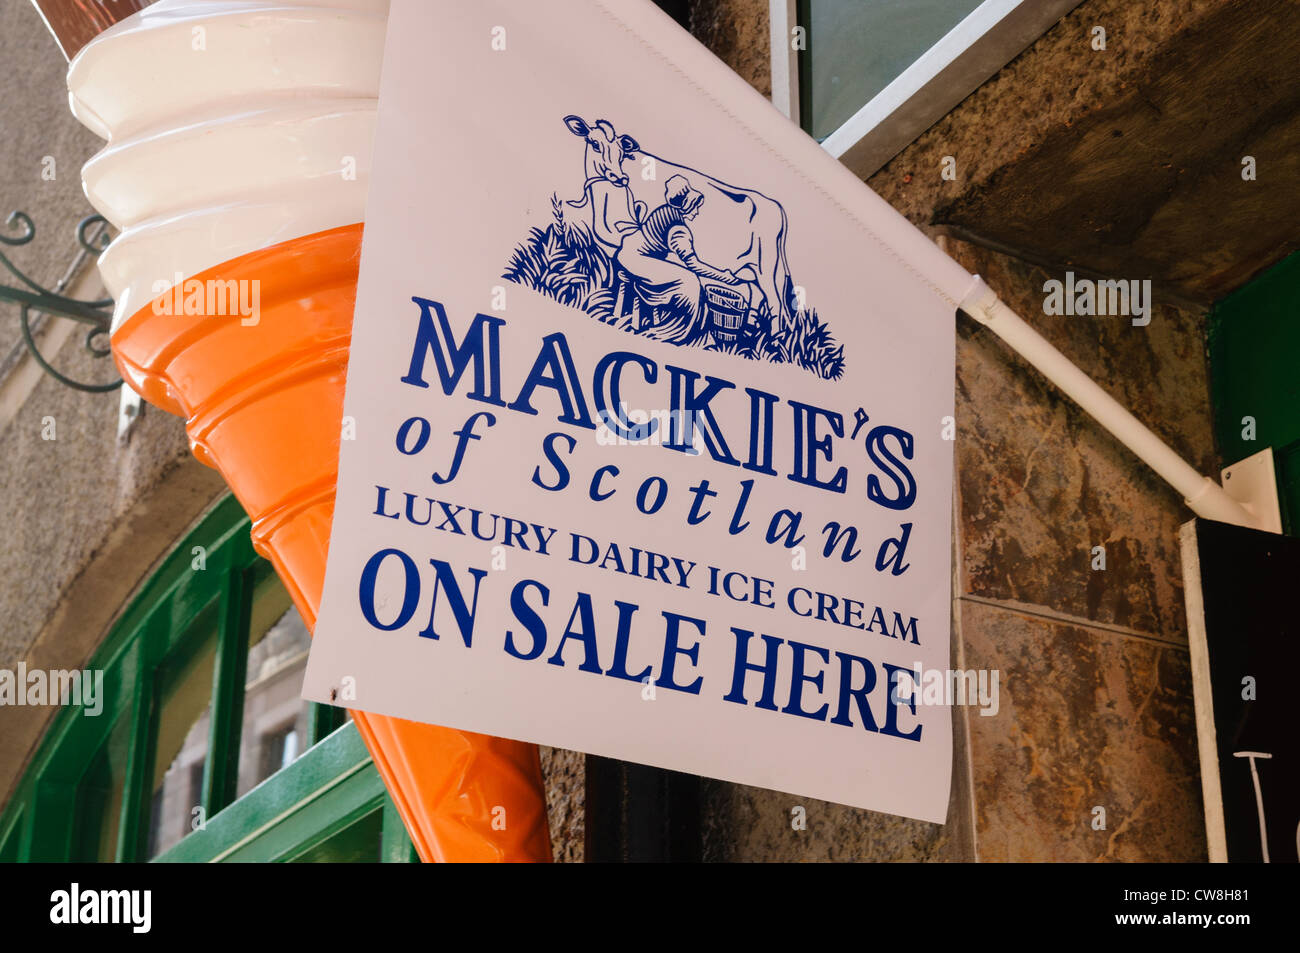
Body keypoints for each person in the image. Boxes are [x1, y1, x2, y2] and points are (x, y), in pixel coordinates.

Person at [615, 175, 740, 344]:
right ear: (687, 205)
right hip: (637, 261)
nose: (696, 211)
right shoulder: (679, 230)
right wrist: (725, 277)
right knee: (689, 283)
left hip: (627, 251)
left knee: (679, 274)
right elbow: (693, 264)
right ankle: (673, 334)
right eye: (694, 206)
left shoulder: (665, 210)